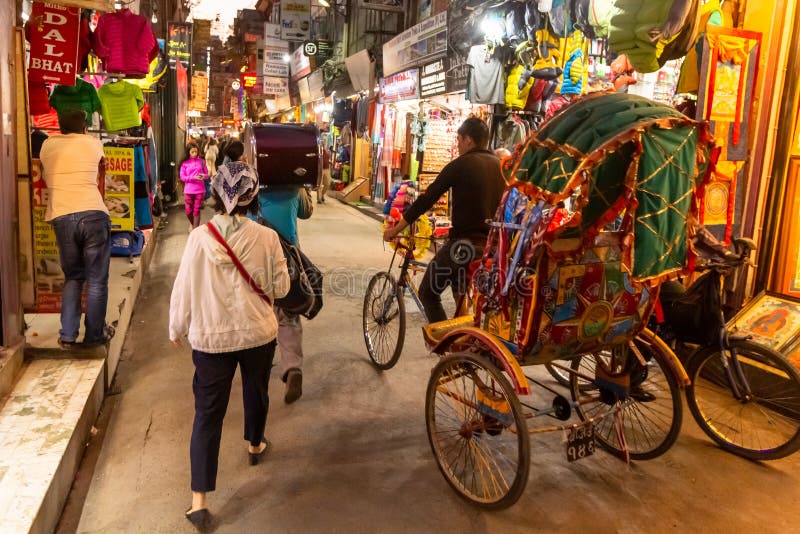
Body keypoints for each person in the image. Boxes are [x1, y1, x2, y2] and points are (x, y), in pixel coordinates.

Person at [169, 139, 290, 527]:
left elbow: (184, 288)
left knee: (208, 414)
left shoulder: (199, 239)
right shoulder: (268, 238)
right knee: (257, 391)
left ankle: (199, 500)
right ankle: (254, 443)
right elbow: (283, 289)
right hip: (258, 334)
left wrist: (177, 327)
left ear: (215, 196)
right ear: (254, 196)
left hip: (211, 340)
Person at [383, 117, 506, 323]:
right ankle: (464, 344)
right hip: (492, 248)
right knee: (460, 293)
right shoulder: (501, 168)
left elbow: (426, 200)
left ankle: (445, 348)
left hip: (463, 247)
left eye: (458, 140)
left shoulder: (460, 164)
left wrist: (396, 229)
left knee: (428, 293)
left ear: (468, 140)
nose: (457, 145)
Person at [39, 109, 114, 347]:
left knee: (73, 277)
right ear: (84, 128)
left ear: (60, 127)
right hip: (93, 213)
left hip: (61, 215)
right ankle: (94, 337)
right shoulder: (92, 143)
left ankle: (68, 335)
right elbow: (102, 169)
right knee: (96, 280)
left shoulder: (48, 146)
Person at [252, 182, 313, 404]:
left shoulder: (254, 187)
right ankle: (292, 367)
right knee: (288, 314)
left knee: (258, 312)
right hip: (288, 259)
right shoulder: (293, 188)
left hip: (256, 258)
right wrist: (303, 187)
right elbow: (307, 212)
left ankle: (259, 365)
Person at [179, 143, 209, 229]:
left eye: (196, 151)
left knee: (196, 210)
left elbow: (207, 174)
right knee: (188, 211)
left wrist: (204, 176)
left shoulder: (202, 162)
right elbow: (182, 177)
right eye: (192, 152)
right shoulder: (184, 164)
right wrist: (193, 177)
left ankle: (195, 229)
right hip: (188, 190)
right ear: (188, 152)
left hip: (200, 190)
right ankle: (194, 225)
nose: (195, 153)